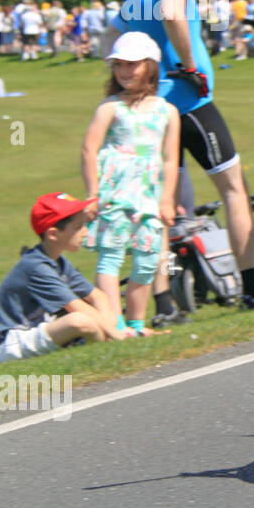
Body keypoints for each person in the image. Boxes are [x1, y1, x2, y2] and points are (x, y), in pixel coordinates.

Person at [122, 0, 254, 313]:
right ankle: (251, 289)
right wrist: (189, 66)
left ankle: (165, 304)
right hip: (189, 103)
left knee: (158, 206)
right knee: (234, 189)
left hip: (149, 107)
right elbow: (173, 13)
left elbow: (113, 38)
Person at [80, 32, 180, 336]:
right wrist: (92, 194)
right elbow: (89, 149)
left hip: (149, 195)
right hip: (116, 192)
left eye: (132, 64)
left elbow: (170, 159)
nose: (124, 71)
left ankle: (137, 323)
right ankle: (116, 324)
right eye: (119, 65)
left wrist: (167, 199)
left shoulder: (167, 111)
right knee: (111, 256)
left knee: (148, 259)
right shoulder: (110, 107)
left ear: (150, 66)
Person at [0, 193, 129, 362]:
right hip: (10, 342)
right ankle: (104, 351)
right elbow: (77, 307)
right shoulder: (36, 266)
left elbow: (98, 296)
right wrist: (116, 335)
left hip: (38, 330)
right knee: (80, 320)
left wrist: (110, 326)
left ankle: (101, 344)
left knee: (97, 316)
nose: (85, 232)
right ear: (53, 234)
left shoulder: (58, 261)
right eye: (78, 227)